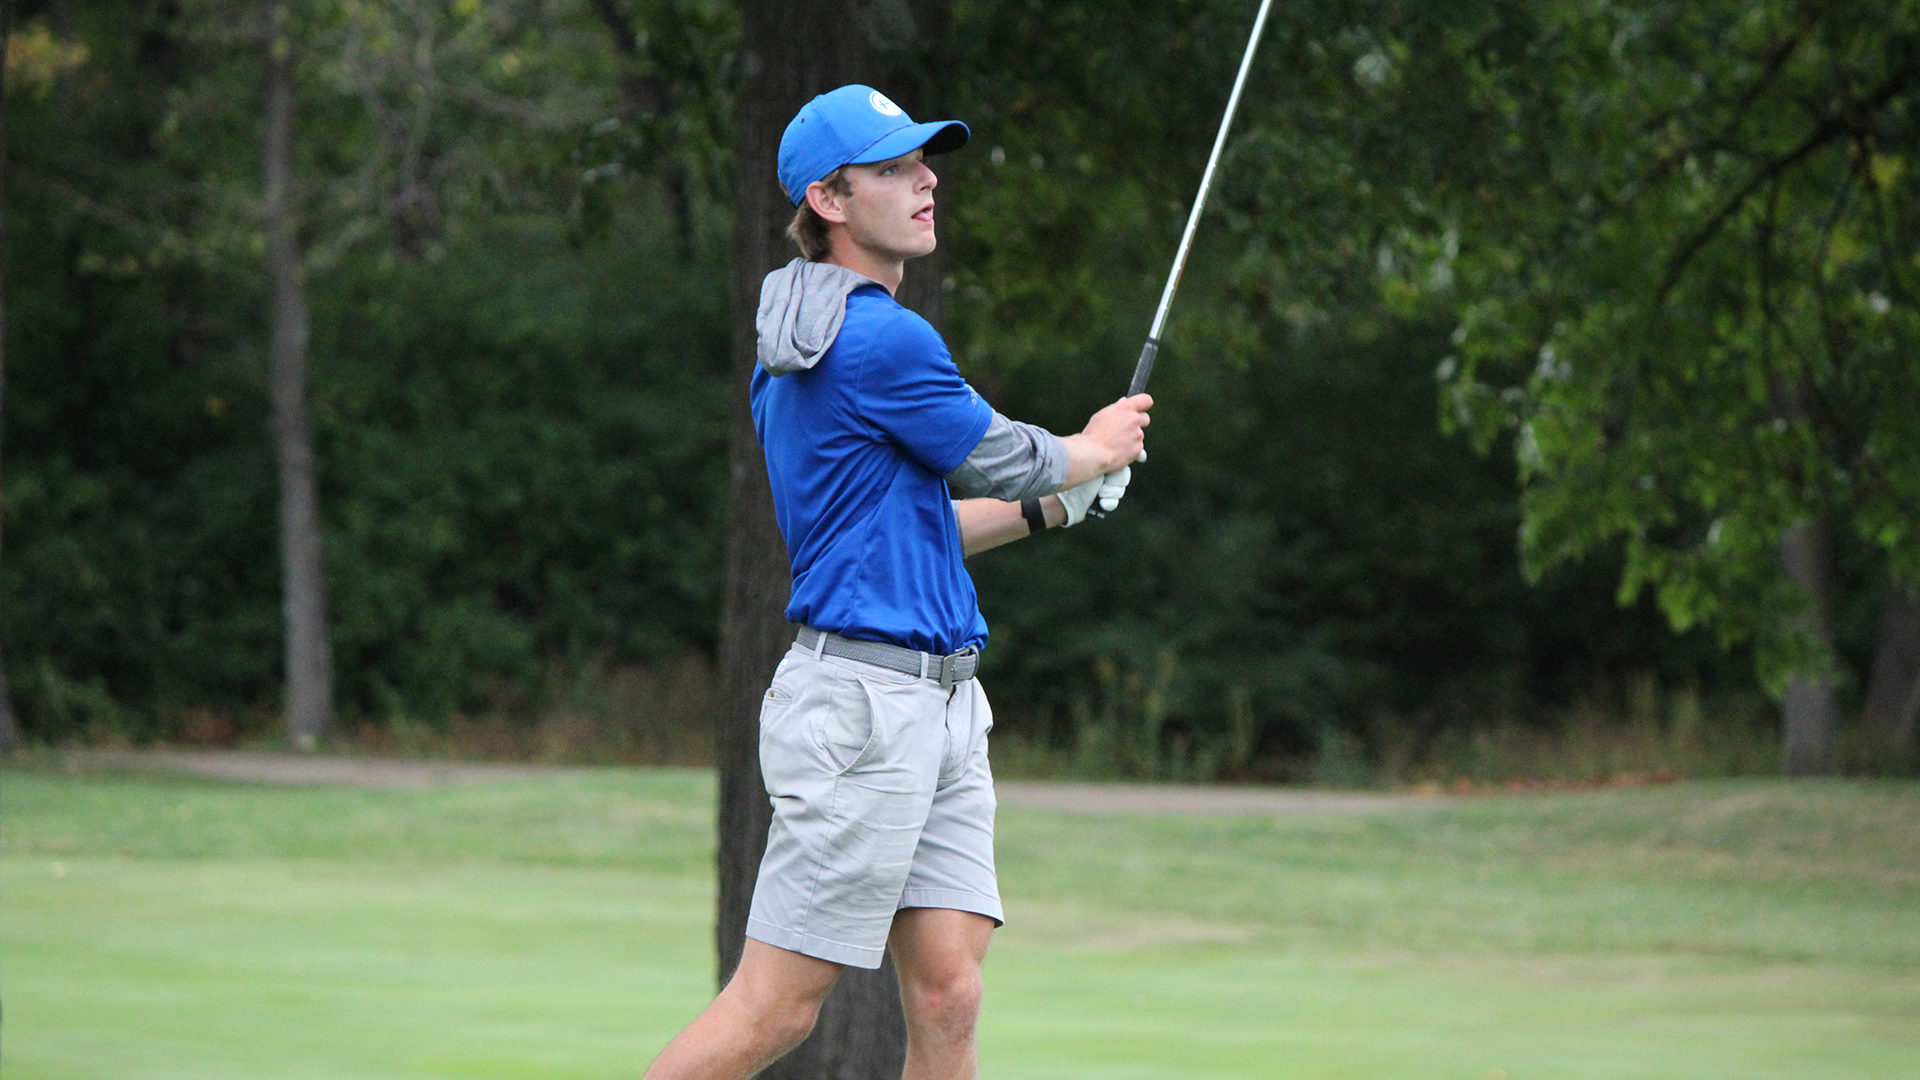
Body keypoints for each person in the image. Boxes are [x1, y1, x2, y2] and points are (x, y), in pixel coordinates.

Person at [643, 84, 1151, 1080]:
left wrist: (1062, 503)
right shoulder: (877, 337)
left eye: (925, 163)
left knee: (949, 992)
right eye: (891, 169)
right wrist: (1090, 451)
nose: (925, 181)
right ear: (828, 200)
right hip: (863, 711)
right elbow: (1009, 460)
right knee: (778, 1010)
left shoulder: (820, 333)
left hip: (940, 698)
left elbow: (914, 529)